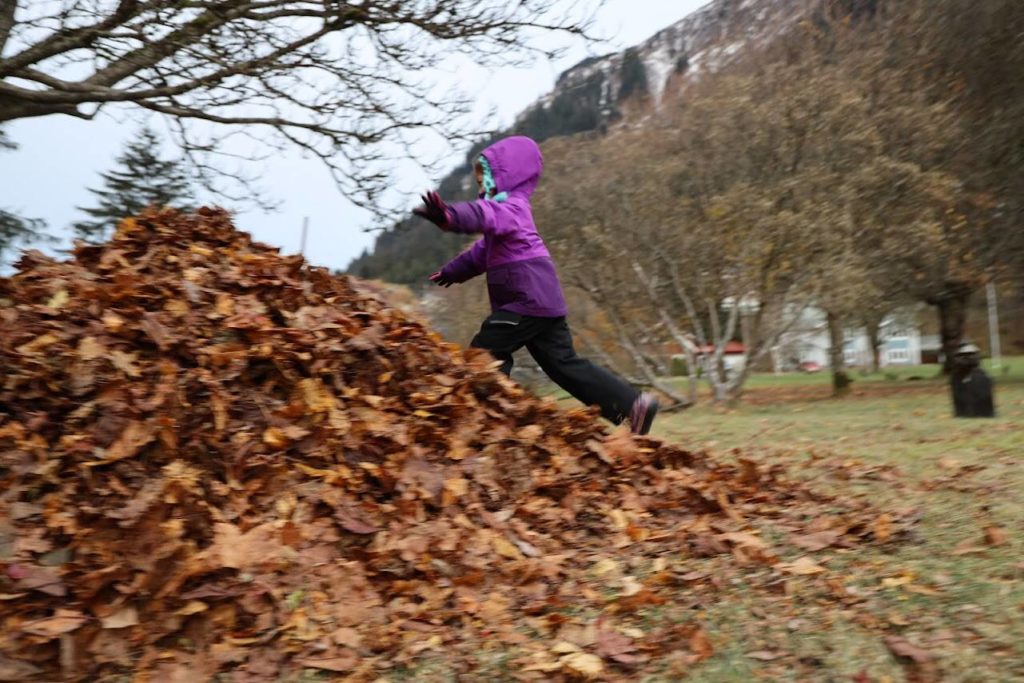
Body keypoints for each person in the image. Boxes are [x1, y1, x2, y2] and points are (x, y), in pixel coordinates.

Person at [413, 135, 659, 435]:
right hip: (544, 301)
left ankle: (493, 415)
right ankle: (633, 406)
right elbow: (480, 255)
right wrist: (453, 271)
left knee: (487, 350)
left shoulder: (511, 207)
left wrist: (449, 216)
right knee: (563, 364)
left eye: (486, 180)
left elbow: (482, 214)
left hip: (525, 299)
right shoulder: (507, 217)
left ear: (507, 177)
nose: (481, 189)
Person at [949, 343, 995, 418]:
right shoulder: (956, 377)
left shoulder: (980, 377)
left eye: (970, 355)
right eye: (960, 356)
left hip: (982, 414)